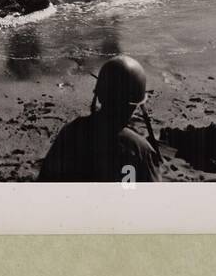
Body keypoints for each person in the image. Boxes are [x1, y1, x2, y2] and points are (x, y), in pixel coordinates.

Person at [37, 55, 162, 183]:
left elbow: (45, 180)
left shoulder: (71, 131)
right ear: (134, 107)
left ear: (100, 95)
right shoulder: (140, 149)